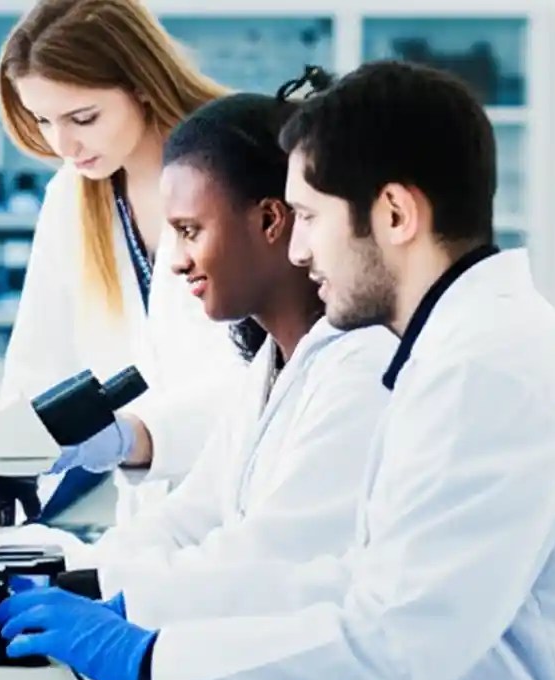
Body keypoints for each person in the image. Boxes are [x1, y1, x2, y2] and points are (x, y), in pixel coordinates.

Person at [0, 60, 555, 680]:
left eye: (309, 217)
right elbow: (346, 581)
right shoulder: (452, 351)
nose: (298, 250)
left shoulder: (487, 372)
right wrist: (120, 600)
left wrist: (147, 654)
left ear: (395, 214)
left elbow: (393, 649)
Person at [49, 69, 398, 628]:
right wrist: (64, 567)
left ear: (270, 219)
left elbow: (260, 560)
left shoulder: (361, 369)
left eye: (190, 230)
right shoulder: (273, 364)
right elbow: (190, 518)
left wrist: (97, 592)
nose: (177, 260)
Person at [0, 0, 245, 521]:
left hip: (251, 515)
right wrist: (1, 470)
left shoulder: (246, 175)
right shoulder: (74, 197)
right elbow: (37, 369)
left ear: (142, 85)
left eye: (82, 117)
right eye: (43, 120)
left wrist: (135, 436)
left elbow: (270, 379)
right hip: (149, 531)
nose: (63, 144)